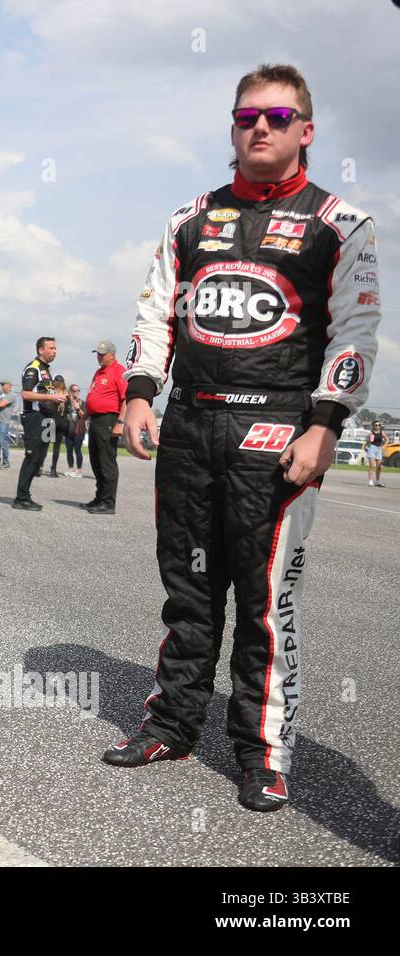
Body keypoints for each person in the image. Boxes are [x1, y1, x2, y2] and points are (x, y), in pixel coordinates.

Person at [104, 64, 382, 813]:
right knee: (189, 592)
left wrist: (326, 424)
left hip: (280, 429)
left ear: (306, 130)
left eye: (278, 116)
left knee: (264, 602)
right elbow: (155, 311)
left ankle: (262, 751)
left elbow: (356, 331)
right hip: (191, 427)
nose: (260, 126)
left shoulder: (342, 223)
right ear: (233, 125)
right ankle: (170, 724)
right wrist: (138, 392)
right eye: (246, 114)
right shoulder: (188, 218)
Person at [12, 337, 62, 510]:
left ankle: (25, 494)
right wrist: (52, 397)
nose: (55, 351)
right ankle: (21, 498)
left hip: (46, 418)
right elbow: (26, 394)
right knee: (32, 457)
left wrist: (57, 399)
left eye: (55, 348)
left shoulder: (46, 370)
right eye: (52, 348)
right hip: (34, 417)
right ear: (41, 350)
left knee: (40, 459)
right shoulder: (34, 368)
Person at [83, 340, 127, 514]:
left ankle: (108, 503)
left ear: (112, 354)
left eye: (102, 354)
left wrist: (120, 422)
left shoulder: (119, 371)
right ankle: (99, 497)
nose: (99, 357)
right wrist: (82, 419)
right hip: (95, 420)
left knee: (106, 461)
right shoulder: (99, 372)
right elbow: (92, 399)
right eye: (98, 354)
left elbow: (126, 399)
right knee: (96, 461)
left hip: (109, 420)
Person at [45, 376, 73, 477]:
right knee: (56, 448)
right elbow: (69, 409)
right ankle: (53, 469)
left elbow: (45, 406)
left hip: (51, 421)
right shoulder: (66, 394)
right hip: (61, 422)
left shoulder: (50, 393)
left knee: (45, 445)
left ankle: (39, 467)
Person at [62, 383, 86, 477]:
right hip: (68, 430)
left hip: (79, 430)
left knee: (77, 450)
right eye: (75, 390)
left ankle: (78, 470)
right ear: (70, 392)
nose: (77, 392)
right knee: (69, 450)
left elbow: (84, 416)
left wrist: (78, 408)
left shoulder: (82, 403)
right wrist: (69, 400)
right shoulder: (66, 402)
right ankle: (70, 469)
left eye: (78, 390)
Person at [0, 381, 16, 468]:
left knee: (3, 443)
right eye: (1, 385)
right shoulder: (0, 395)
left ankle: (6, 462)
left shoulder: (12, 395)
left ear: (9, 386)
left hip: (3, 422)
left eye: (4, 384)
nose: (2, 386)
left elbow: (1, 404)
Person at [365, 420, 386, 487]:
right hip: (372, 448)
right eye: (376, 425)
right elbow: (368, 442)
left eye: (379, 425)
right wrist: (368, 439)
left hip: (379, 449)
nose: (378, 426)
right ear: (373, 426)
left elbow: (387, 439)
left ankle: (377, 481)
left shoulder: (382, 433)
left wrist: (384, 445)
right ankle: (370, 481)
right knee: (372, 466)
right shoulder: (371, 433)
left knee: (379, 466)